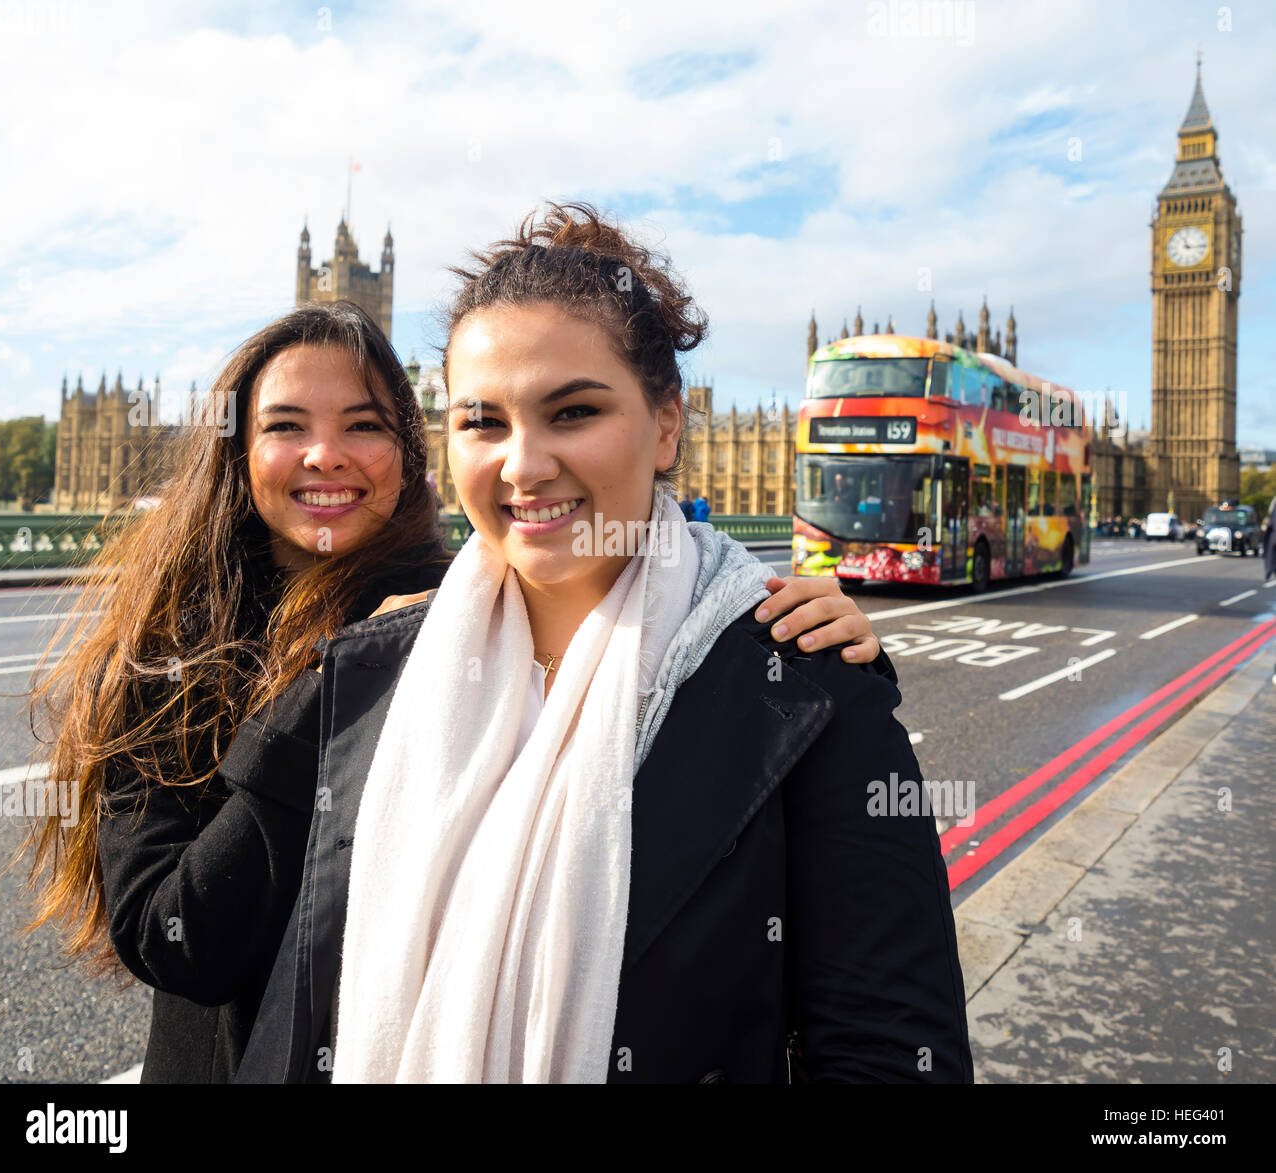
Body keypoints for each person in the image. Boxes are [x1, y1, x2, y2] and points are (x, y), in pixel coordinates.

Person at [18, 301, 883, 1084]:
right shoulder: (168, 651)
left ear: (413, 448)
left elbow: (641, 606)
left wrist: (808, 642)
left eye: (364, 424)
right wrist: (336, 686)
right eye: (286, 425)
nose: (327, 454)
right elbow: (175, 939)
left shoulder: (474, 606)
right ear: (239, 448)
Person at [238, 202, 971, 1084]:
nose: (523, 463)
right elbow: (245, 975)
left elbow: (890, 1055)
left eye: (573, 411)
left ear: (668, 424)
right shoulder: (382, 670)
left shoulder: (812, 695)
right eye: (482, 421)